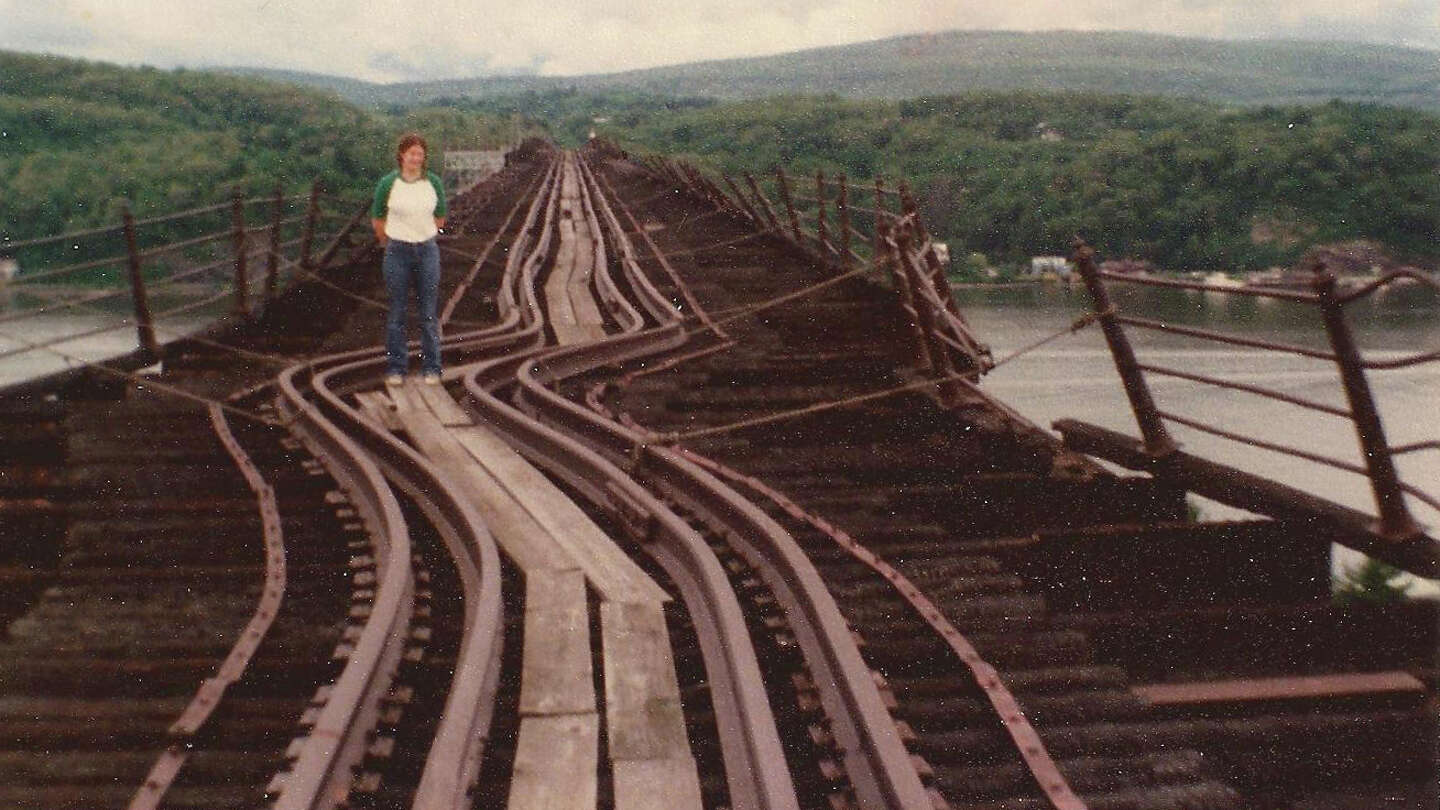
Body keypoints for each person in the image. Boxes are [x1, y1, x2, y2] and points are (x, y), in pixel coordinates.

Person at [370, 133, 447, 385]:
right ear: (402, 154)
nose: (416, 158)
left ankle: (432, 367)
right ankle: (396, 368)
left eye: (420, 154)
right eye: (412, 153)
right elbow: (378, 217)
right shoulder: (388, 183)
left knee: (428, 312)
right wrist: (388, 240)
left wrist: (424, 233)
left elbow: (440, 215)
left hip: (427, 251)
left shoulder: (433, 182)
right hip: (397, 252)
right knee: (397, 312)